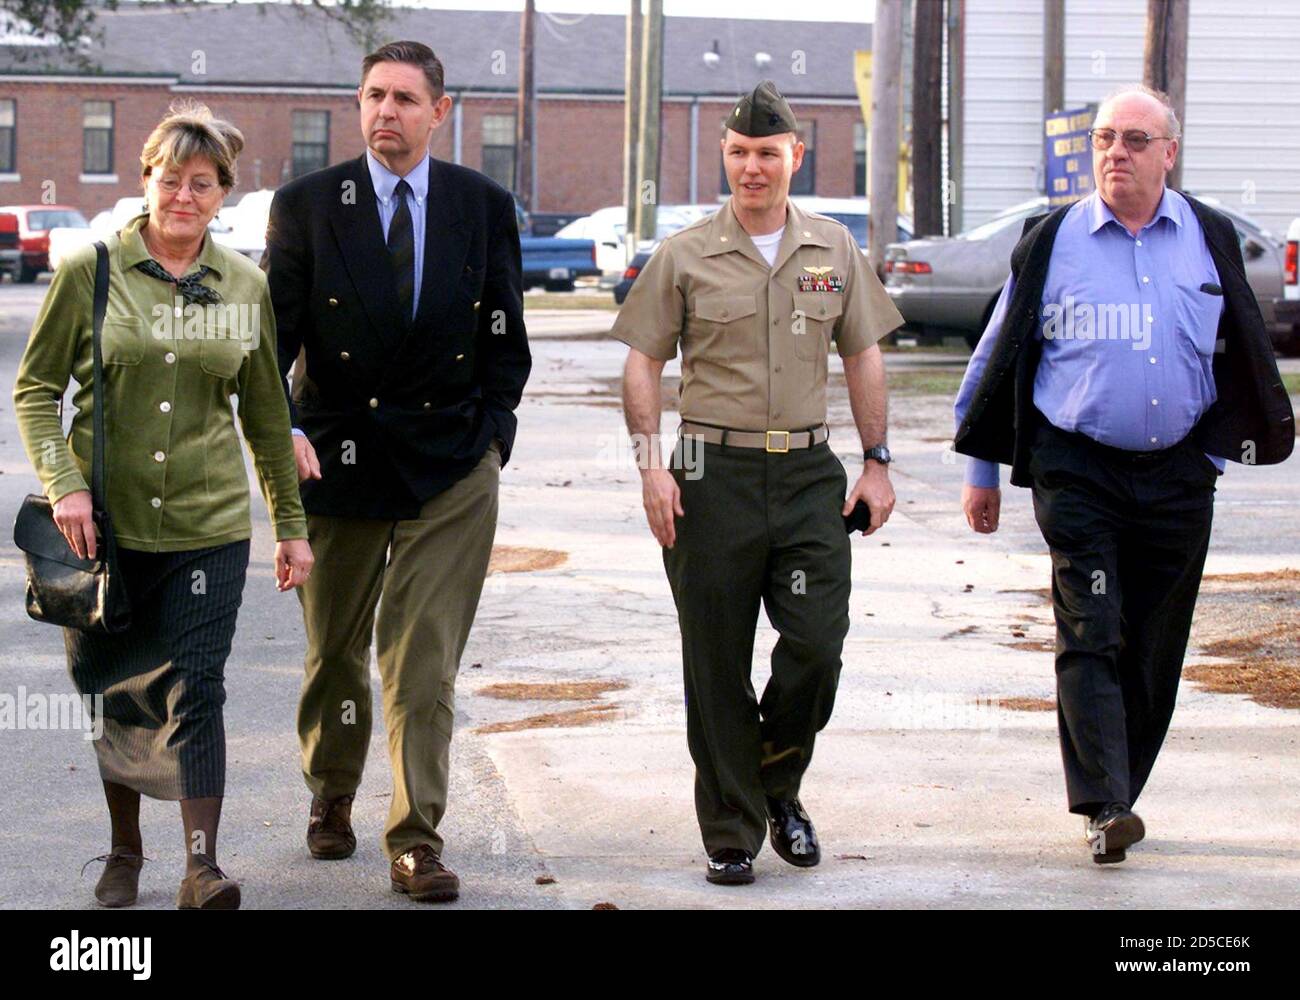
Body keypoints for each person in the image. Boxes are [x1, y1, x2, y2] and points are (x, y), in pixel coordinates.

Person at [954, 86, 1294, 864]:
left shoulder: (1207, 234)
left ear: (1169, 153)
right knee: (1093, 627)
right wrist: (982, 467)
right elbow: (995, 359)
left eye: (1137, 140)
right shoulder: (1052, 241)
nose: (1117, 152)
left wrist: (1213, 454)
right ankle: (1104, 804)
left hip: (1179, 471)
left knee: (1155, 646)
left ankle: (1120, 791)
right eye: (1106, 137)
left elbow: (1242, 346)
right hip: (1078, 469)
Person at [13, 102, 313, 909]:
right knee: (113, 685)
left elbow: (264, 414)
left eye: (203, 184)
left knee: (197, 688)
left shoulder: (244, 284)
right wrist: (63, 481)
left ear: (223, 195)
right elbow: (37, 389)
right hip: (101, 528)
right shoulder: (90, 271)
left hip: (206, 527)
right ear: (146, 180)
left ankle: (200, 866)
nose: (185, 196)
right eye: (171, 179)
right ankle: (123, 851)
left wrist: (290, 527)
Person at [614, 81, 903, 885]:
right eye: (739, 152)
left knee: (815, 644)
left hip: (809, 469)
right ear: (725, 156)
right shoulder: (684, 253)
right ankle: (733, 829)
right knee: (715, 659)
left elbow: (864, 354)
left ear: (794, 158)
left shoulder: (834, 249)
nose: (752, 167)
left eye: (767, 154)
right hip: (710, 468)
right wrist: (651, 467)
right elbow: (642, 359)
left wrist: (877, 462)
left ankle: (778, 783)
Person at [263, 40, 530, 903]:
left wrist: (492, 437)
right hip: (335, 459)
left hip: (449, 465)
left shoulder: (483, 206)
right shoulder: (306, 205)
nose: (387, 112)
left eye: (406, 99)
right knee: (334, 653)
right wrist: (284, 436)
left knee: (421, 661)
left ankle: (416, 838)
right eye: (374, 96)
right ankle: (332, 792)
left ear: (439, 112)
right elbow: (272, 344)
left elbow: (505, 339)